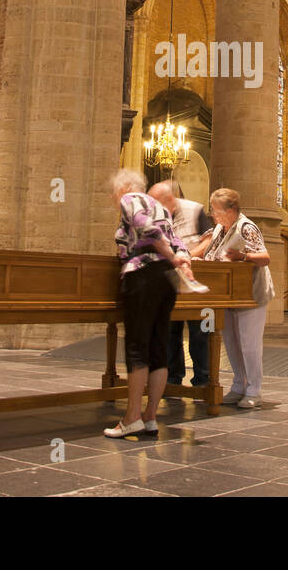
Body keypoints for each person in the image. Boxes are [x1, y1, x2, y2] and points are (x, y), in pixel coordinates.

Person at [105, 169, 191, 438]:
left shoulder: (131, 199)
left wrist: (170, 255)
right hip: (167, 281)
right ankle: (150, 417)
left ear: (124, 188)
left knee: (137, 347)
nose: (114, 197)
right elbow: (178, 241)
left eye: (114, 192)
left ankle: (131, 418)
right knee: (158, 348)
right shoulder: (162, 208)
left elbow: (147, 229)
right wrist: (181, 260)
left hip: (143, 277)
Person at [202, 188, 272, 407]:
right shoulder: (219, 230)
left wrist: (242, 256)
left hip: (250, 293)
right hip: (228, 294)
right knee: (231, 342)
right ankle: (238, 386)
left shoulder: (247, 227)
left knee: (249, 344)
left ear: (231, 210)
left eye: (216, 210)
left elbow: (265, 258)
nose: (213, 214)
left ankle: (254, 390)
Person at [148, 179, 213, 396]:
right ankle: (173, 378)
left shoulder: (194, 210)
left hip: (194, 277)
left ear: (171, 199)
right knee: (170, 331)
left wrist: (187, 257)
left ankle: (202, 379)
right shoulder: (156, 214)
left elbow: (209, 239)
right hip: (169, 278)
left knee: (199, 332)